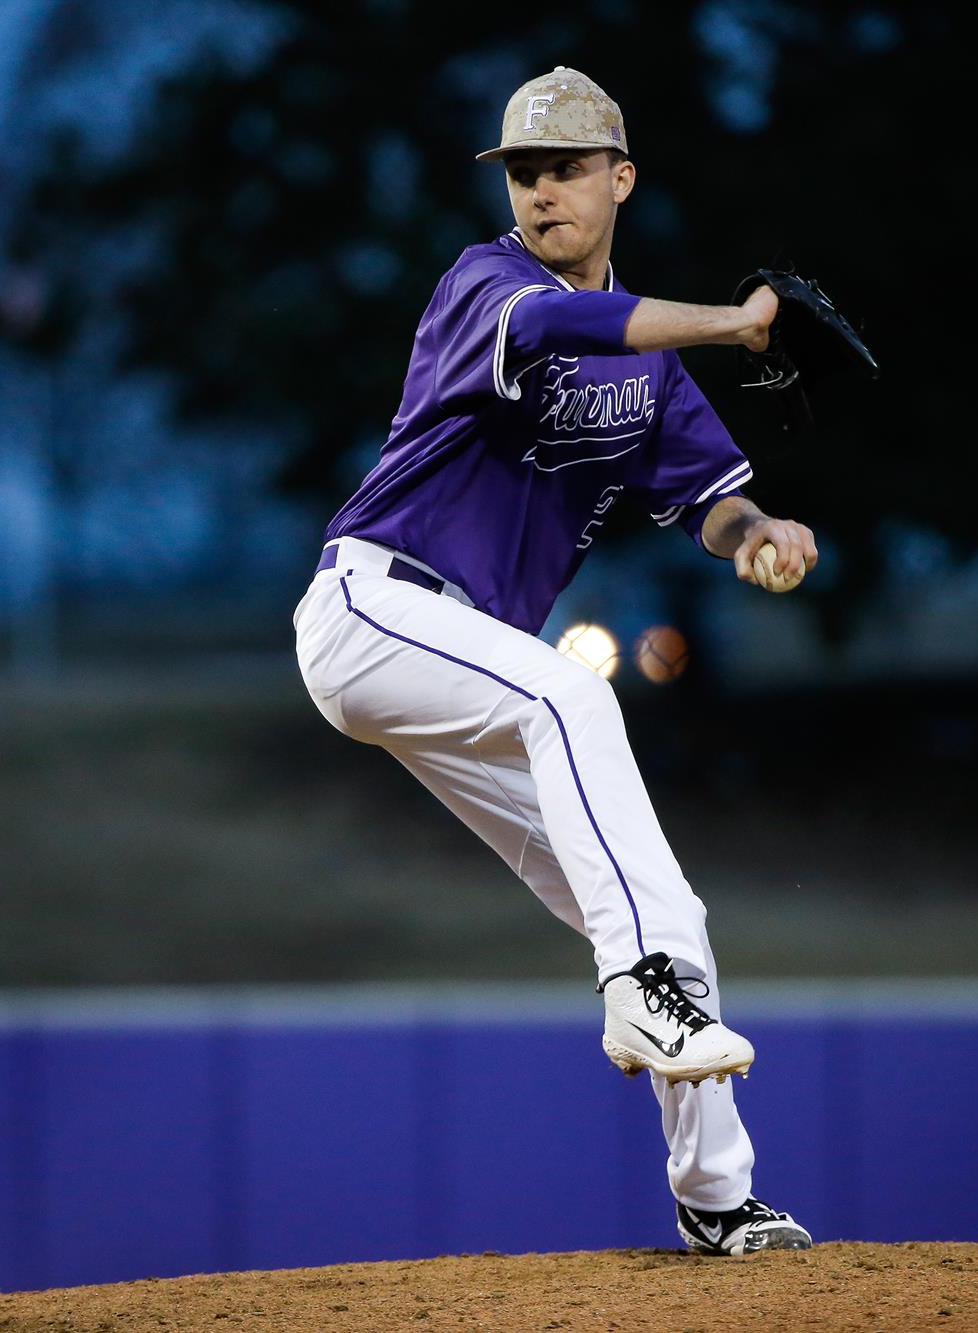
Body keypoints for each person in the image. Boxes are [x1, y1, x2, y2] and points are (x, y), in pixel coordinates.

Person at [292, 66, 816, 1257]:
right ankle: (635, 989)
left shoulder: (653, 376)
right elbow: (570, 325)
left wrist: (761, 538)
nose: (539, 192)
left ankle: (717, 1198)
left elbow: (710, 502)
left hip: (463, 661)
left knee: (656, 903)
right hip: (370, 611)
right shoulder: (487, 285)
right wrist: (734, 323)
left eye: (566, 167)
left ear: (619, 178)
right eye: (523, 171)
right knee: (570, 687)